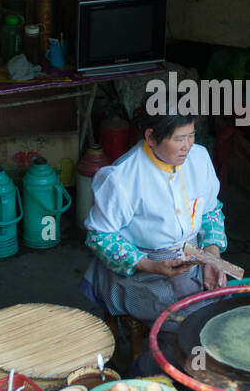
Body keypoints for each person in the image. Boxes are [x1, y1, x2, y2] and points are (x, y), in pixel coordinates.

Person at [79, 113, 232, 326]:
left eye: (192, 135)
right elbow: (100, 236)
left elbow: (210, 210)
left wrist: (212, 256)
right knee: (187, 323)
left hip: (193, 258)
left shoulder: (200, 158)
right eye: (179, 139)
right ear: (151, 137)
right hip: (144, 272)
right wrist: (151, 265)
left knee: (226, 310)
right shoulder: (122, 177)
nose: (187, 146)